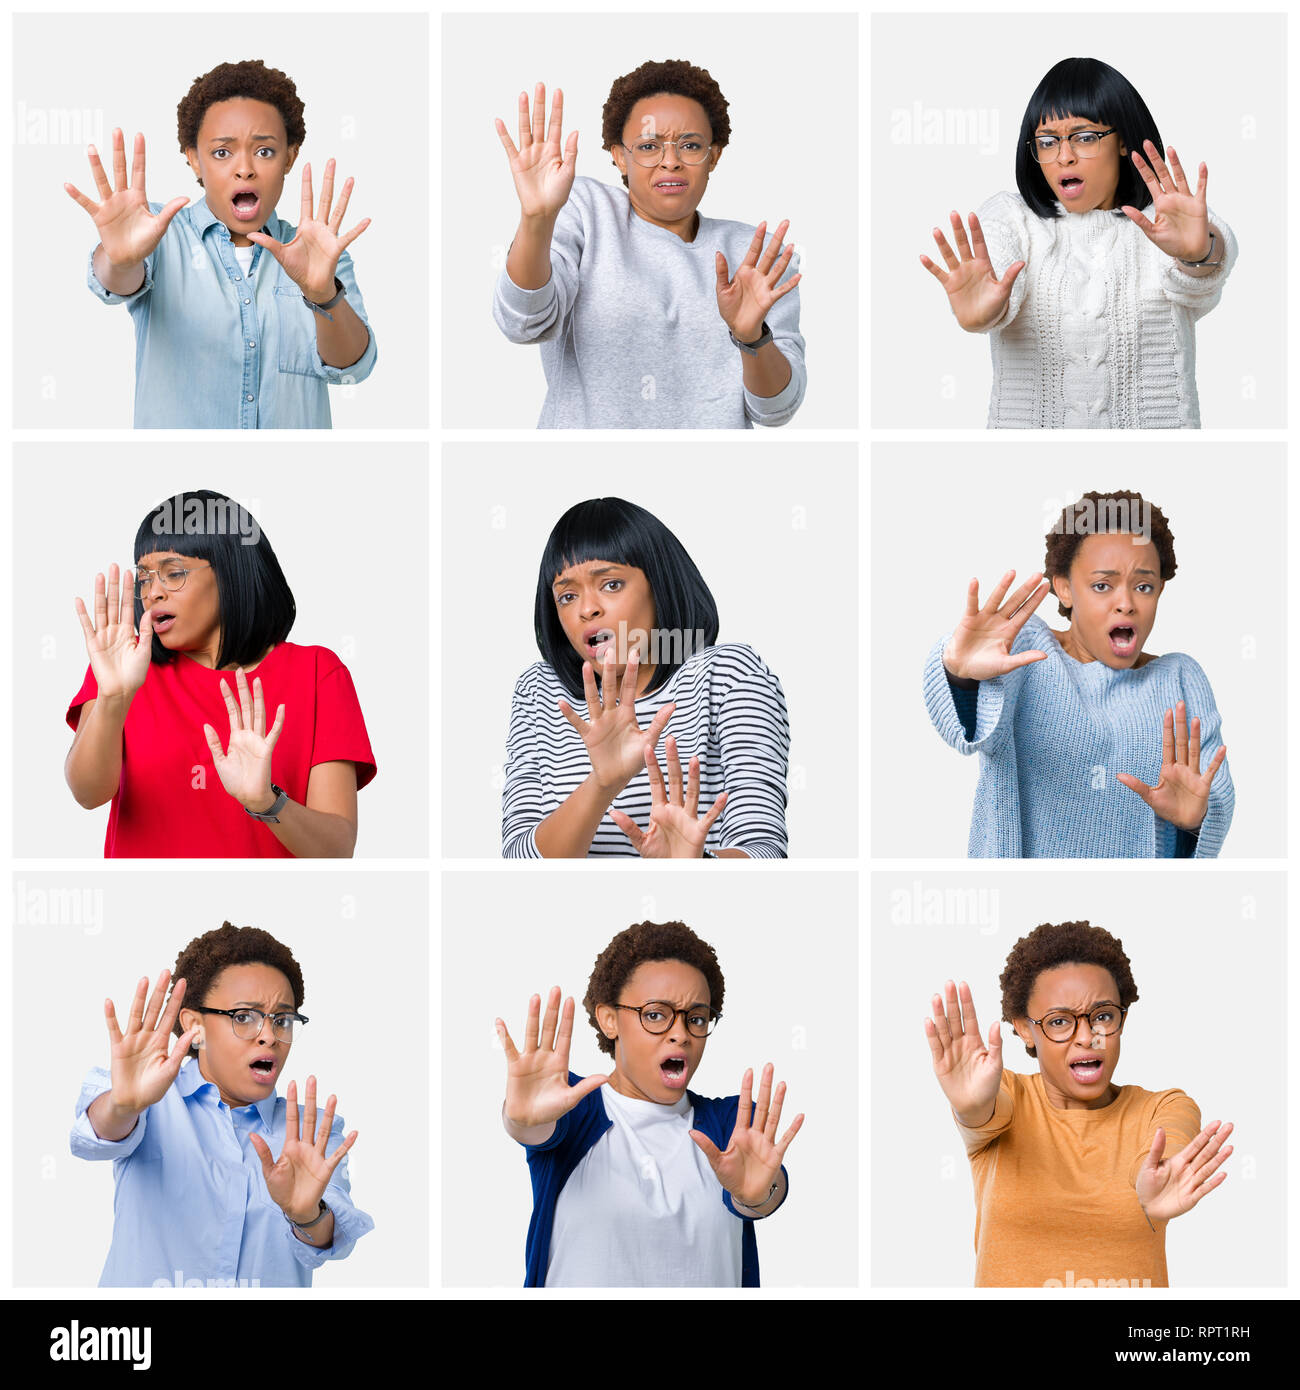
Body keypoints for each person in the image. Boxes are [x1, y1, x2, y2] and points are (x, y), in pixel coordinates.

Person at [920, 57, 1236, 428]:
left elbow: (1205, 272)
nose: (1064, 155)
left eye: (1085, 137)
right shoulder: (1012, 217)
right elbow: (997, 268)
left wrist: (1199, 253)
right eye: (1048, 141)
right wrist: (984, 310)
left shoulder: (1162, 220)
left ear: (1122, 141)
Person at [492, 60, 805, 428]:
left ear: (714, 156)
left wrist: (752, 338)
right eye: (648, 146)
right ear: (619, 156)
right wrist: (537, 219)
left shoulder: (756, 254)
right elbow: (522, 322)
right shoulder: (584, 210)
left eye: (690, 145)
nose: (670, 162)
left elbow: (776, 410)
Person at [65, 59, 375, 428]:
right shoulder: (158, 234)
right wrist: (119, 259)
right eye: (222, 152)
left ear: (290, 157)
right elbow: (115, 282)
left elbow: (352, 368)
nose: (245, 169)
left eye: (264, 151)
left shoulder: (321, 254)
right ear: (194, 159)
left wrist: (324, 294)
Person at [67, 489, 376, 857]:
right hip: (144, 909)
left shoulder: (317, 674)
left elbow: (336, 850)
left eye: (174, 573)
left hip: (271, 912)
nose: (152, 593)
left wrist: (267, 802)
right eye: (146, 577)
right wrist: (113, 699)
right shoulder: (126, 668)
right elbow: (87, 794)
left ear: (232, 572)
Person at [923, 489, 1232, 856]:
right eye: (1102, 585)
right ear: (1064, 588)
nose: (1126, 604)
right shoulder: (1028, 651)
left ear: (1160, 590)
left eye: (1143, 586)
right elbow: (969, 733)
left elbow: (1211, 804)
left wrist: (1189, 825)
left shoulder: (1181, 678)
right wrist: (960, 675)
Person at [495, 919, 803, 1286]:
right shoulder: (574, 1107)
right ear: (610, 1020)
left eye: (697, 1018)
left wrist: (758, 1196)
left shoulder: (727, 1122)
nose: (681, 1034)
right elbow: (533, 1125)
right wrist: (519, 1118)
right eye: (656, 1014)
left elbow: (765, 1188)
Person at [925, 921, 1233, 1287]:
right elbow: (984, 1113)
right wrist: (971, 1106)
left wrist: (1156, 1178)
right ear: (1025, 1028)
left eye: (1103, 1016)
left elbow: (1162, 1150)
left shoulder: (1162, 1106)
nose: (1088, 1037)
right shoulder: (1006, 1094)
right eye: (1059, 1022)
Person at [71, 922, 372, 1287]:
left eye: (282, 1019)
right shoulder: (149, 1102)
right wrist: (122, 1104)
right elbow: (96, 1137)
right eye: (244, 1016)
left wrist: (307, 1214)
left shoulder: (312, 1132)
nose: (269, 1036)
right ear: (194, 1027)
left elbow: (327, 1243)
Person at [502, 496, 789, 858]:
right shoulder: (539, 691)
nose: (587, 609)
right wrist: (602, 784)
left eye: (611, 585)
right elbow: (516, 865)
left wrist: (696, 866)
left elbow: (766, 853)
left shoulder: (727, 674)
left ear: (659, 584)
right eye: (568, 596)